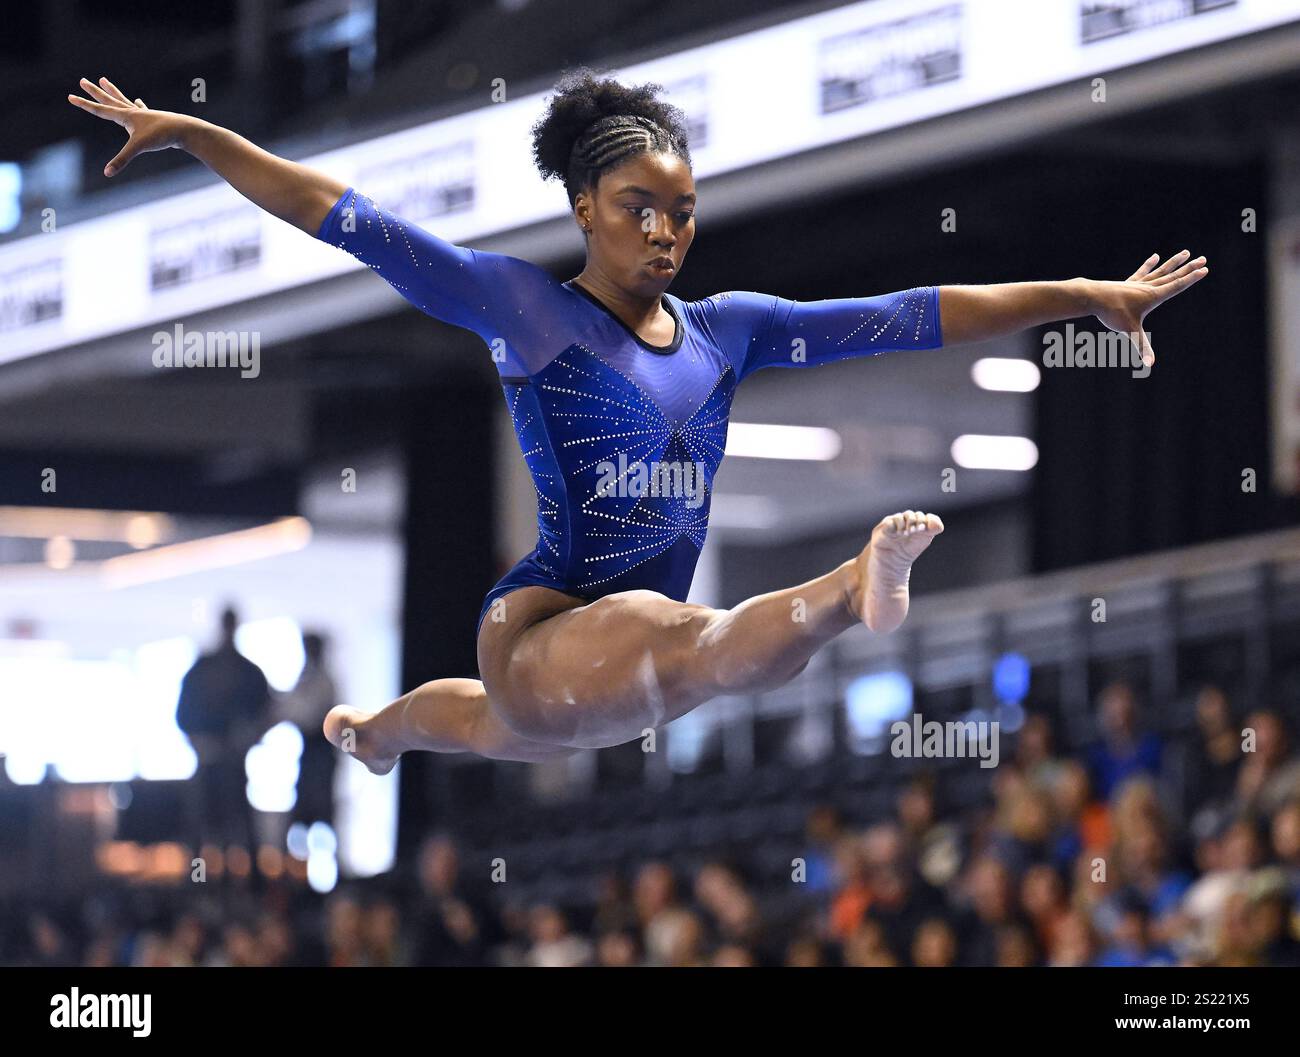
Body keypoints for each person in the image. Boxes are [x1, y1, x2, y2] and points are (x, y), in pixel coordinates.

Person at [70, 69, 1209, 767]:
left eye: (682, 212)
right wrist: (194, 135)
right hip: (542, 627)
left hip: (582, 683)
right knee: (693, 646)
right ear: (584, 212)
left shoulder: (734, 329)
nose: (664, 232)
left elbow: (914, 314)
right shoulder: (520, 306)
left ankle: (368, 738)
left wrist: (1086, 293)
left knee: (455, 724)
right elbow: (343, 217)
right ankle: (847, 587)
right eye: (637, 210)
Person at [175, 605, 271, 857]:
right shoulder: (203, 670)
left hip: (234, 763)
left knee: (239, 831)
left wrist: (243, 741)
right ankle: (199, 885)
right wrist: (203, 744)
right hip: (208, 762)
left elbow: (264, 714)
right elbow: (184, 715)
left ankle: (246, 891)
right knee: (200, 834)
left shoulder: (248, 673)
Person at [274, 631, 339, 829]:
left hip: (320, 754)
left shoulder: (324, 681)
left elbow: (310, 717)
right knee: (303, 815)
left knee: (321, 811)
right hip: (310, 754)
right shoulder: (307, 678)